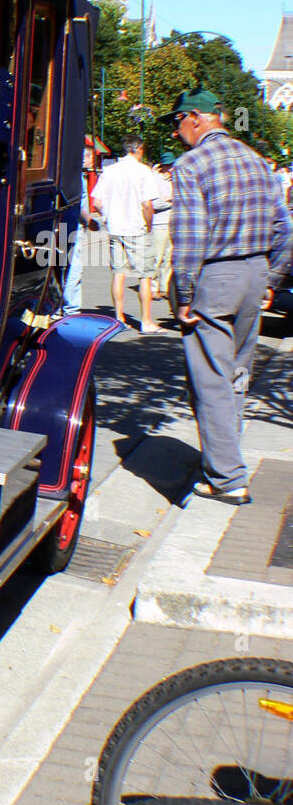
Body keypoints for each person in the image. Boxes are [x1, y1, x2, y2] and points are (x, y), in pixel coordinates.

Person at [167, 88, 293, 504]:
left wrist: (184, 293)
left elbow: (190, 237)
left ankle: (227, 478)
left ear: (196, 117)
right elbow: (285, 229)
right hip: (255, 274)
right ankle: (225, 458)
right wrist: (272, 278)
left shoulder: (191, 164)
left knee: (211, 379)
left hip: (216, 278)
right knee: (237, 373)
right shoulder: (258, 161)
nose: (176, 132)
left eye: (178, 122)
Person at [92, 134, 159, 333]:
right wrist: (149, 225)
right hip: (136, 228)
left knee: (118, 273)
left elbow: (97, 202)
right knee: (144, 276)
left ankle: (119, 319)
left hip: (115, 228)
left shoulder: (109, 170)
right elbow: (147, 205)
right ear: (137, 149)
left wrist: (108, 216)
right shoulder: (143, 171)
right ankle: (146, 321)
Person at [62, 144, 97, 316]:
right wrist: (89, 221)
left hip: (68, 226)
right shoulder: (79, 179)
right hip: (75, 227)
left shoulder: (70, 176)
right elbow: (77, 204)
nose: (92, 161)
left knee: (65, 266)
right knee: (74, 268)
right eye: (91, 157)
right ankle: (71, 307)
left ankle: (62, 305)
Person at [150, 152, 175, 303]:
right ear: (164, 166)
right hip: (159, 224)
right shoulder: (155, 180)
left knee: (169, 258)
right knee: (157, 257)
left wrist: (170, 199)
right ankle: (153, 288)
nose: (173, 168)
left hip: (172, 223)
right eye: (170, 165)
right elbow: (154, 204)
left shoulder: (175, 180)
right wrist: (172, 201)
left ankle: (165, 287)